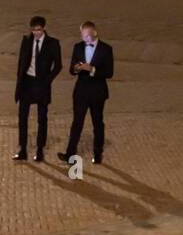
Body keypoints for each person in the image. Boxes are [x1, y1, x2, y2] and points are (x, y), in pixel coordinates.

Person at [58, 22, 115, 165]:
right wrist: (77, 68)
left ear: (95, 33)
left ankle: (98, 153)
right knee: (77, 123)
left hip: (97, 92)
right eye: (83, 36)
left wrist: (92, 70)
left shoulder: (106, 49)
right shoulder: (78, 47)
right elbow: (72, 70)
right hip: (81, 92)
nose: (86, 39)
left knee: (97, 123)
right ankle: (70, 154)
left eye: (88, 35)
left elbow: (109, 73)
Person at [13, 15, 62, 162]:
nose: (36, 33)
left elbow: (58, 66)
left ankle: (40, 150)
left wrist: (47, 80)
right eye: (34, 30)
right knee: (22, 117)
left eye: (39, 30)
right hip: (27, 83)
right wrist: (19, 81)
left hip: (41, 85)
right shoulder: (26, 41)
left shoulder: (53, 43)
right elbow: (21, 62)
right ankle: (22, 149)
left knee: (42, 118)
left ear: (44, 28)